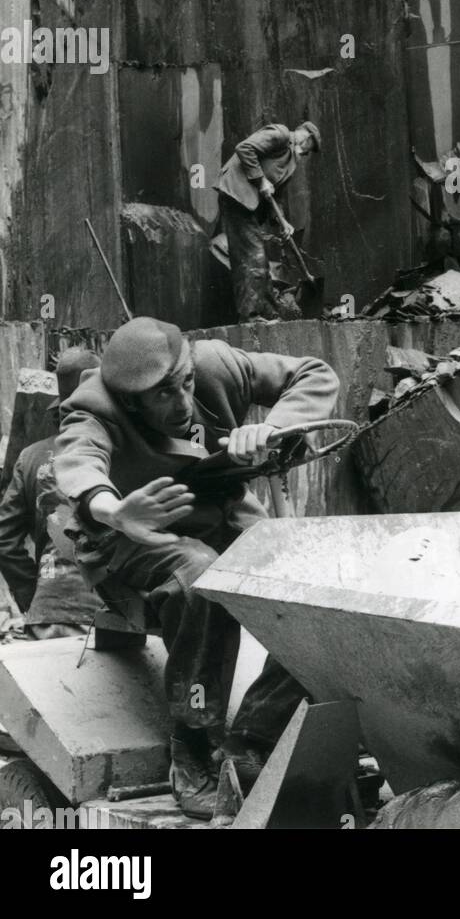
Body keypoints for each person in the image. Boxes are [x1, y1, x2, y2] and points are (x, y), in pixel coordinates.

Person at [53, 316, 340, 819]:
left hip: (220, 516)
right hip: (136, 535)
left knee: (310, 580)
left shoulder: (213, 362)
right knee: (199, 575)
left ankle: (252, 739)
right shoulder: (93, 406)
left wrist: (272, 428)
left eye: (184, 382)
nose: (183, 402)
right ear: (130, 400)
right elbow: (79, 461)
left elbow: (315, 374)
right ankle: (192, 744)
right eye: (163, 395)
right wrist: (113, 509)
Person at [0, 348, 102, 638]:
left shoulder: (31, 456)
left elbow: (4, 540)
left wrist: (33, 596)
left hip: (46, 611)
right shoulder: (119, 452)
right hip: (106, 614)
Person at [214, 121, 321, 322]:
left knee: (260, 260)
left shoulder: (291, 163)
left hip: (250, 204)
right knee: (253, 256)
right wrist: (260, 179)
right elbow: (244, 148)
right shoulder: (280, 134)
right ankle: (250, 317)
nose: (306, 153)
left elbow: (276, 196)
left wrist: (283, 223)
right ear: (305, 136)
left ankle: (269, 313)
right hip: (236, 194)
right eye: (309, 148)